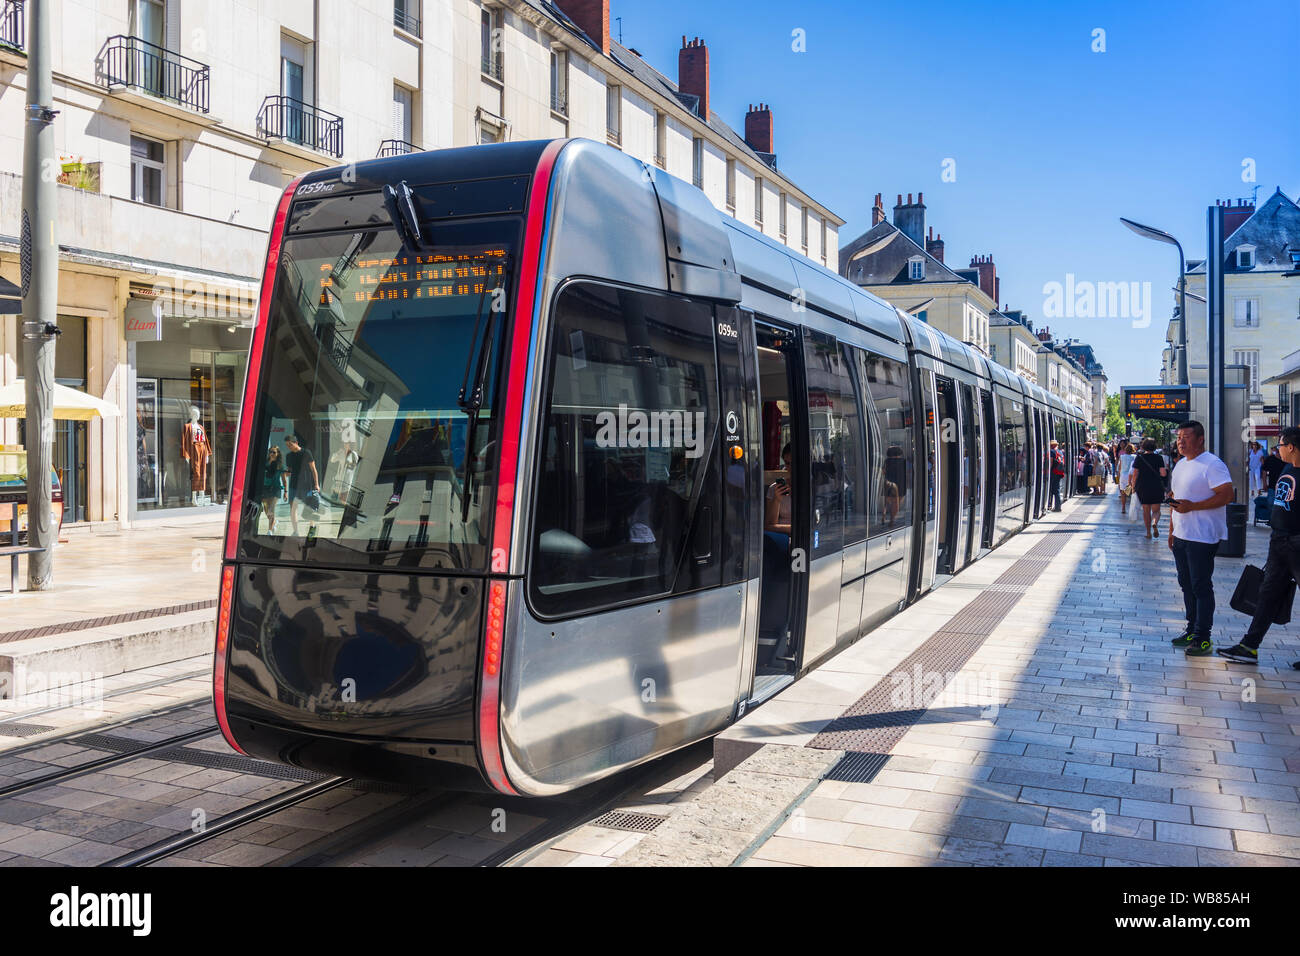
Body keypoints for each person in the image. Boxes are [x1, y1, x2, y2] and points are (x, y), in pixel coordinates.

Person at [1217, 425, 1300, 668]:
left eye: (1281, 445)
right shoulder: (1287, 468)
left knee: (1270, 593)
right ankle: (1249, 647)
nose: (1278, 449)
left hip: (1297, 542)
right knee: (1268, 593)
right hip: (1279, 542)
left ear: (1292, 447)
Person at [1167, 421, 1235, 657]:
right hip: (1182, 535)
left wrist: (1194, 507)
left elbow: (1227, 494)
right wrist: (1171, 530)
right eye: (1178, 438)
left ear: (1200, 439)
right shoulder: (1180, 465)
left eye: (1186, 437)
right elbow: (1175, 499)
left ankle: (1203, 637)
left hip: (1203, 536)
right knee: (1186, 584)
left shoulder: (1212, 464)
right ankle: (1191, 628)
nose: (1181, 442)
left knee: (1200, 585)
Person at [1129, 438, 1168, 538]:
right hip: (1156, 486)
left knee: (1146, 511)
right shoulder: (1159, 458)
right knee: (1156, 511)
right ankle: (1154, 522)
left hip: (1142, 487)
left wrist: (1133, 487)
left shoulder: (1139, 457)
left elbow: (1135, 474)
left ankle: (1148, 533)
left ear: (1143, 446)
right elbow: (1163, 473)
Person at [284, 433, 321, 537]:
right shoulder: (288, 456)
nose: (289, 447)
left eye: (290, 444)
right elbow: (290, 471)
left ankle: (312, 528)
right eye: (287, 445)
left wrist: (317, 484)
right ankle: (296, 531)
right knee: (293, 508)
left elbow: (314, 470)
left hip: (306, 485)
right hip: (293, 485)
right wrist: (286, 473)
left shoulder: (306, 453)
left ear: (296, 442)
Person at [765, 443, 794, 538]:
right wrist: (777, 499)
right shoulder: (774, 488)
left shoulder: (811, 486)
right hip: (783, 537)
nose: (790, 468)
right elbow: (769, 524)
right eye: (787, 463)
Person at [260, 445, 287, 533]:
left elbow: (284, 480)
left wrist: (285, 492)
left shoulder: (280, 466)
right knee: (267, 511)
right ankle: (274, 522)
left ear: (278, 453)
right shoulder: (265, 463)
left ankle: (270, 531)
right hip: (265, 488)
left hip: (275, 489)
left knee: (271, 509)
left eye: (274, 452)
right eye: (270, 452)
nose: (271, 454)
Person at [1117, 442, 1135, 515]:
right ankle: (1132, 509)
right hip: (1131, 475)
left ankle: (1123, 508)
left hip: (1123, 476)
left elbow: (1120, 467)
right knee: (1132, 492)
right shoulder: (1134, 457)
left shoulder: (1122, 456)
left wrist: (1119, 475)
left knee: (1123, 492)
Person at [1048, 439, 1065, 511]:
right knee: (1056, 489)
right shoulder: (1060, 452)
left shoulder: (1052, 451)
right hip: (1059, 472)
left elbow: (1051, 462)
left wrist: (1048, 470)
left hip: (1054, 472)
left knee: (1055, 490)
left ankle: (1057, 507)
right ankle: (1057, 506)